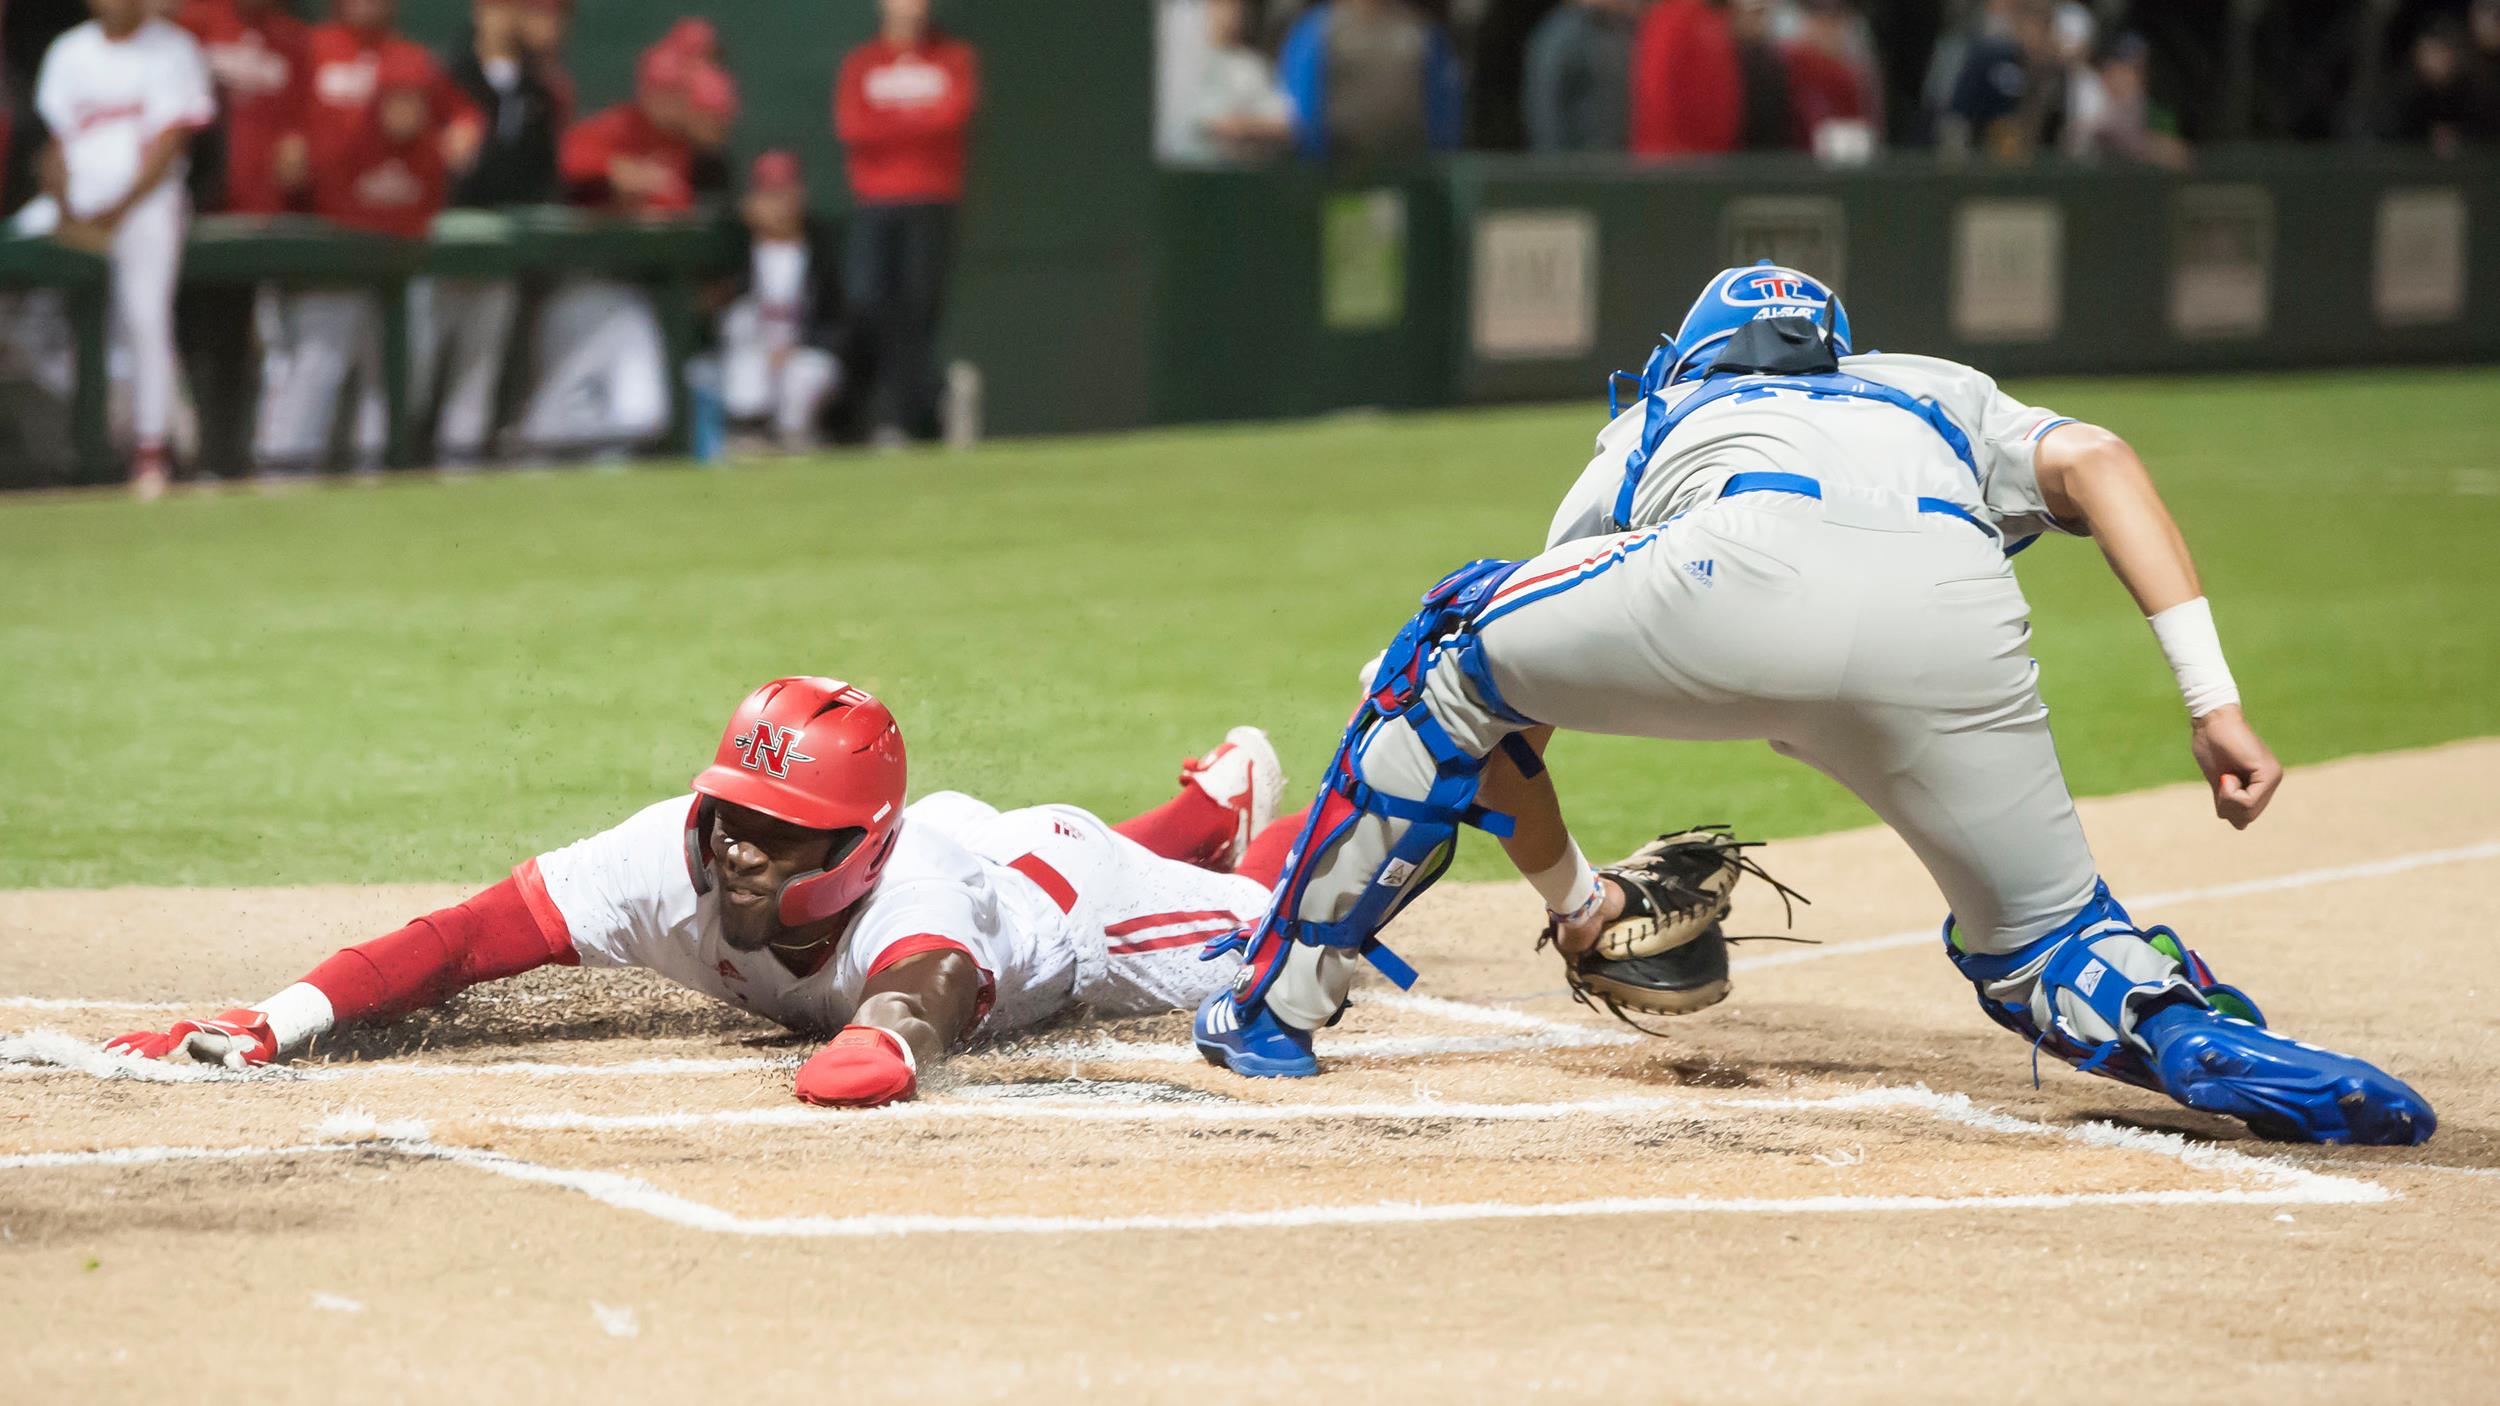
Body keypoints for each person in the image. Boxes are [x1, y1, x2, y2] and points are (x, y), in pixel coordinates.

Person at [1193, 263, 2436, 1148]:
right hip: (1955, 613)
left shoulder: (1661, 413)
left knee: (1432, 660)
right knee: (2048, 936)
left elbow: (1505, 720)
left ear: (1690, 353)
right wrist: (2212, 701)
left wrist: (1579, 905)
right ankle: (2177, 1029)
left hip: (1731, 567)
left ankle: (1275, 1007)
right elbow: (2101, 461)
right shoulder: (1930, 386)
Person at [105, 679, 1300, 1109]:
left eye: (777, 834)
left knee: (1276, 925)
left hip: (1076, 907)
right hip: (972, 843)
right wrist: (276, 1017)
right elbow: (461, 937)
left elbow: (911, 1012)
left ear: (855, 847)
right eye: (732, 813)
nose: (736, 851)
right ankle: (1211, 801)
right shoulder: (665, 854)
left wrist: (879, 1055)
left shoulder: (922, 912)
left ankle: (1263, 818)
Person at [255, 0, 479, 474]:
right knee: (316, 361)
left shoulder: (410, 59)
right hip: (323, 234)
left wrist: (462, 132)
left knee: (397, 367)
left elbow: (463, 114)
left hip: (395, 242)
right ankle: (284, 470)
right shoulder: (309, 47)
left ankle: (375, 468)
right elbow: (279, 130)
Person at [33, 0, 216, 498]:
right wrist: (66, 209)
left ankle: (151, 448)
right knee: (27, 316)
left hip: (145, 205)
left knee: (145, 317)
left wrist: (112, 215)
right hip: (74, 206)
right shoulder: (69, 50)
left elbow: (169, 144)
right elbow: (56, 143)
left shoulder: (173, 49)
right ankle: (102, 428)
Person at [516, 35, 718, 455]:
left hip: (636, 297)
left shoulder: (682, 145)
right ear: (644, 90)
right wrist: (614, 172)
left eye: (678, 94)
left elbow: (673, 207)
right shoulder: (617, 127)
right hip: (580, 286)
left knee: (640, 412)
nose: (671, 103)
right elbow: (570, 162)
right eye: (662, 92)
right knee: (558, 420)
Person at [420, 0, 567, 468]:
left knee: (478, 375)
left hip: (499, 250)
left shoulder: (538, 90)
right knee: (417, 374)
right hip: (436, 246)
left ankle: (459, 468)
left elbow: (542, 175)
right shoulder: (445, 75)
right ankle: (399, 461)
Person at [835, 0, 977, 446]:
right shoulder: (862, 63)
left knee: (918, 308)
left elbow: (953, 116)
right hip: (876, 200)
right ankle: (880, 410)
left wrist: (893, 123)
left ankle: (910, 419)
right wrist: (916, 121)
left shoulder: (953, 58)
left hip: (933, 199)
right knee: (867, 300)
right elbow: (854, 126)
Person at [696, 150, 842, 453]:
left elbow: (840, 320)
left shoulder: (822, 247)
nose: (779, 203)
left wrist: (797, 347)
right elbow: (712, 307)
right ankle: (747, 432)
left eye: (785, 191)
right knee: (742, 349)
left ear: (801, 193)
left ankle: (795, 439)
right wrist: (741, 229)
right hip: (750, 351)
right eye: (770, 193)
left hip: (801, 352)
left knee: (806, 374)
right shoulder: (736, 249)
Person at [1277, 0, 1463, 163]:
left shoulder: (1421, 31)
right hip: (1336, 167)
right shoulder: (1317, 30)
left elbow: (1443, 105)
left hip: (1410, 166)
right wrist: (1313, 161)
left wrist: (1441, 159)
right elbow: (1300, 109)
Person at [1167, 0, 1297, 165]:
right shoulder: (1181, 64)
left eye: (1235, 7)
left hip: (1240, 173)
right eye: (1219, 5)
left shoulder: (1250, 66)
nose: (1230, 15)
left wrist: (1241, 127)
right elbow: (1208, 124)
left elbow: (1287, 125)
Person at [1521, 0, 1640, 154]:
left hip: (1627, 160)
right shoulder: (1562, 35)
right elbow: (1545, 116)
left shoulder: (1627, 30)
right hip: (1581, 162)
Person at [1626, 0, 1739, 156]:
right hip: (1677, 158)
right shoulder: (1672, 19)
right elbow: (1657, 91)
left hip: (1707, 154)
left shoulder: (1707, 19)